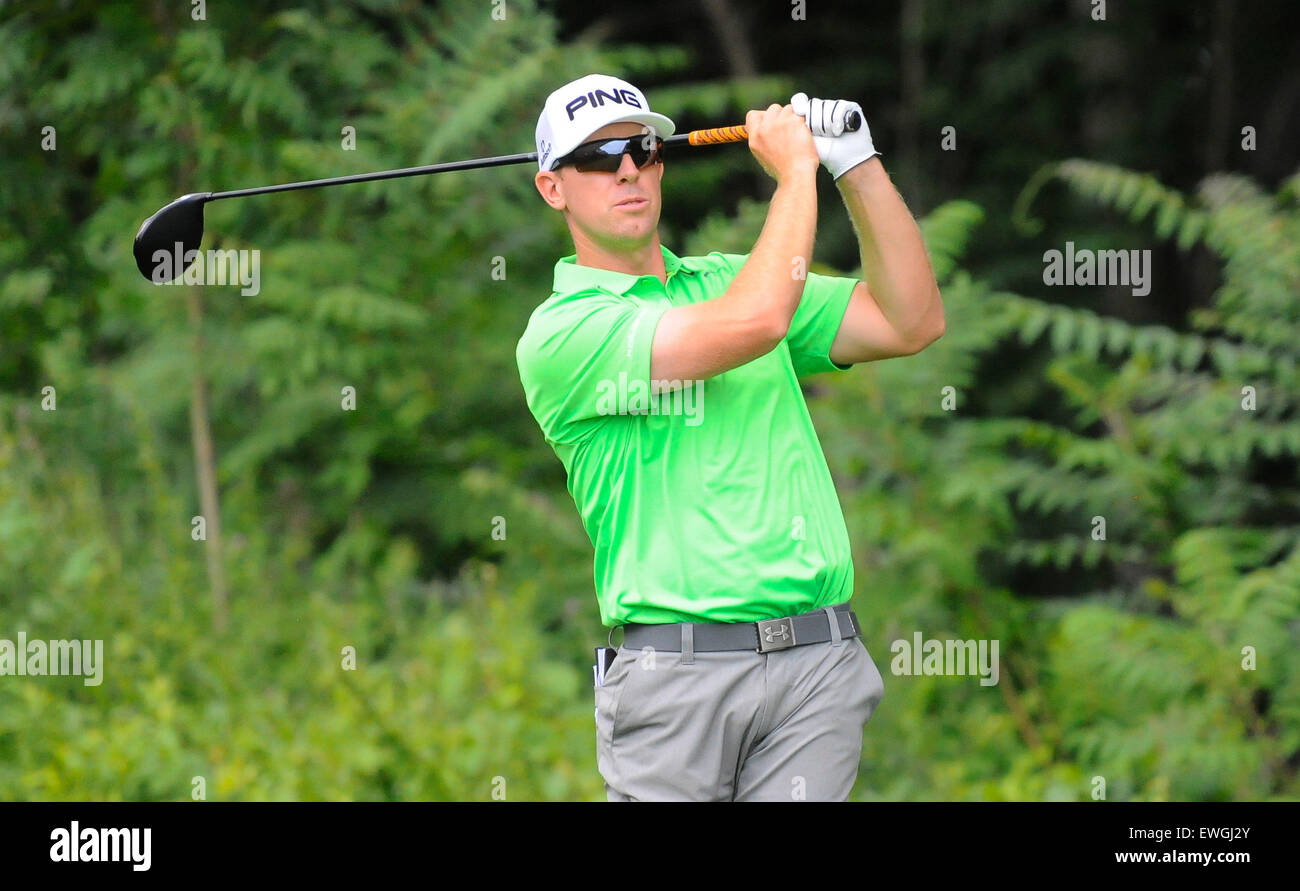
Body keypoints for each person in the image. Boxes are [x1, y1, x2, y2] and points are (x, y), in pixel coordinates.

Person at [516, 73, 944, 801]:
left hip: (817, 668)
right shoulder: (561, 334)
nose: (626, 168)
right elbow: (756, 324)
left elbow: (911, 320)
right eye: (596, 157)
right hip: (675, 681)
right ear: (553, 188)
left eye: (643, 149)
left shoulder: (730, 279)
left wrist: (856, 164)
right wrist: (796, 175)